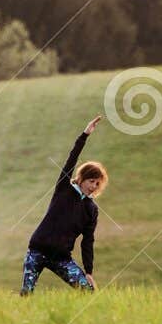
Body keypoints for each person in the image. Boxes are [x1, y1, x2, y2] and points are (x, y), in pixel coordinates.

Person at [22, 115, 106, 294]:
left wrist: (89, 271)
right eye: (91, 181)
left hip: (61, 258)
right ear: (82, 178)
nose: (93, 187)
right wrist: (85, 135)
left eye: (98, 184)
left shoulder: (91, 210)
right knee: (26, 293)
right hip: (37, 250)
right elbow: (72, 159)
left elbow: (88, 241)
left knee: (87, 291)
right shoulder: (64, 189)